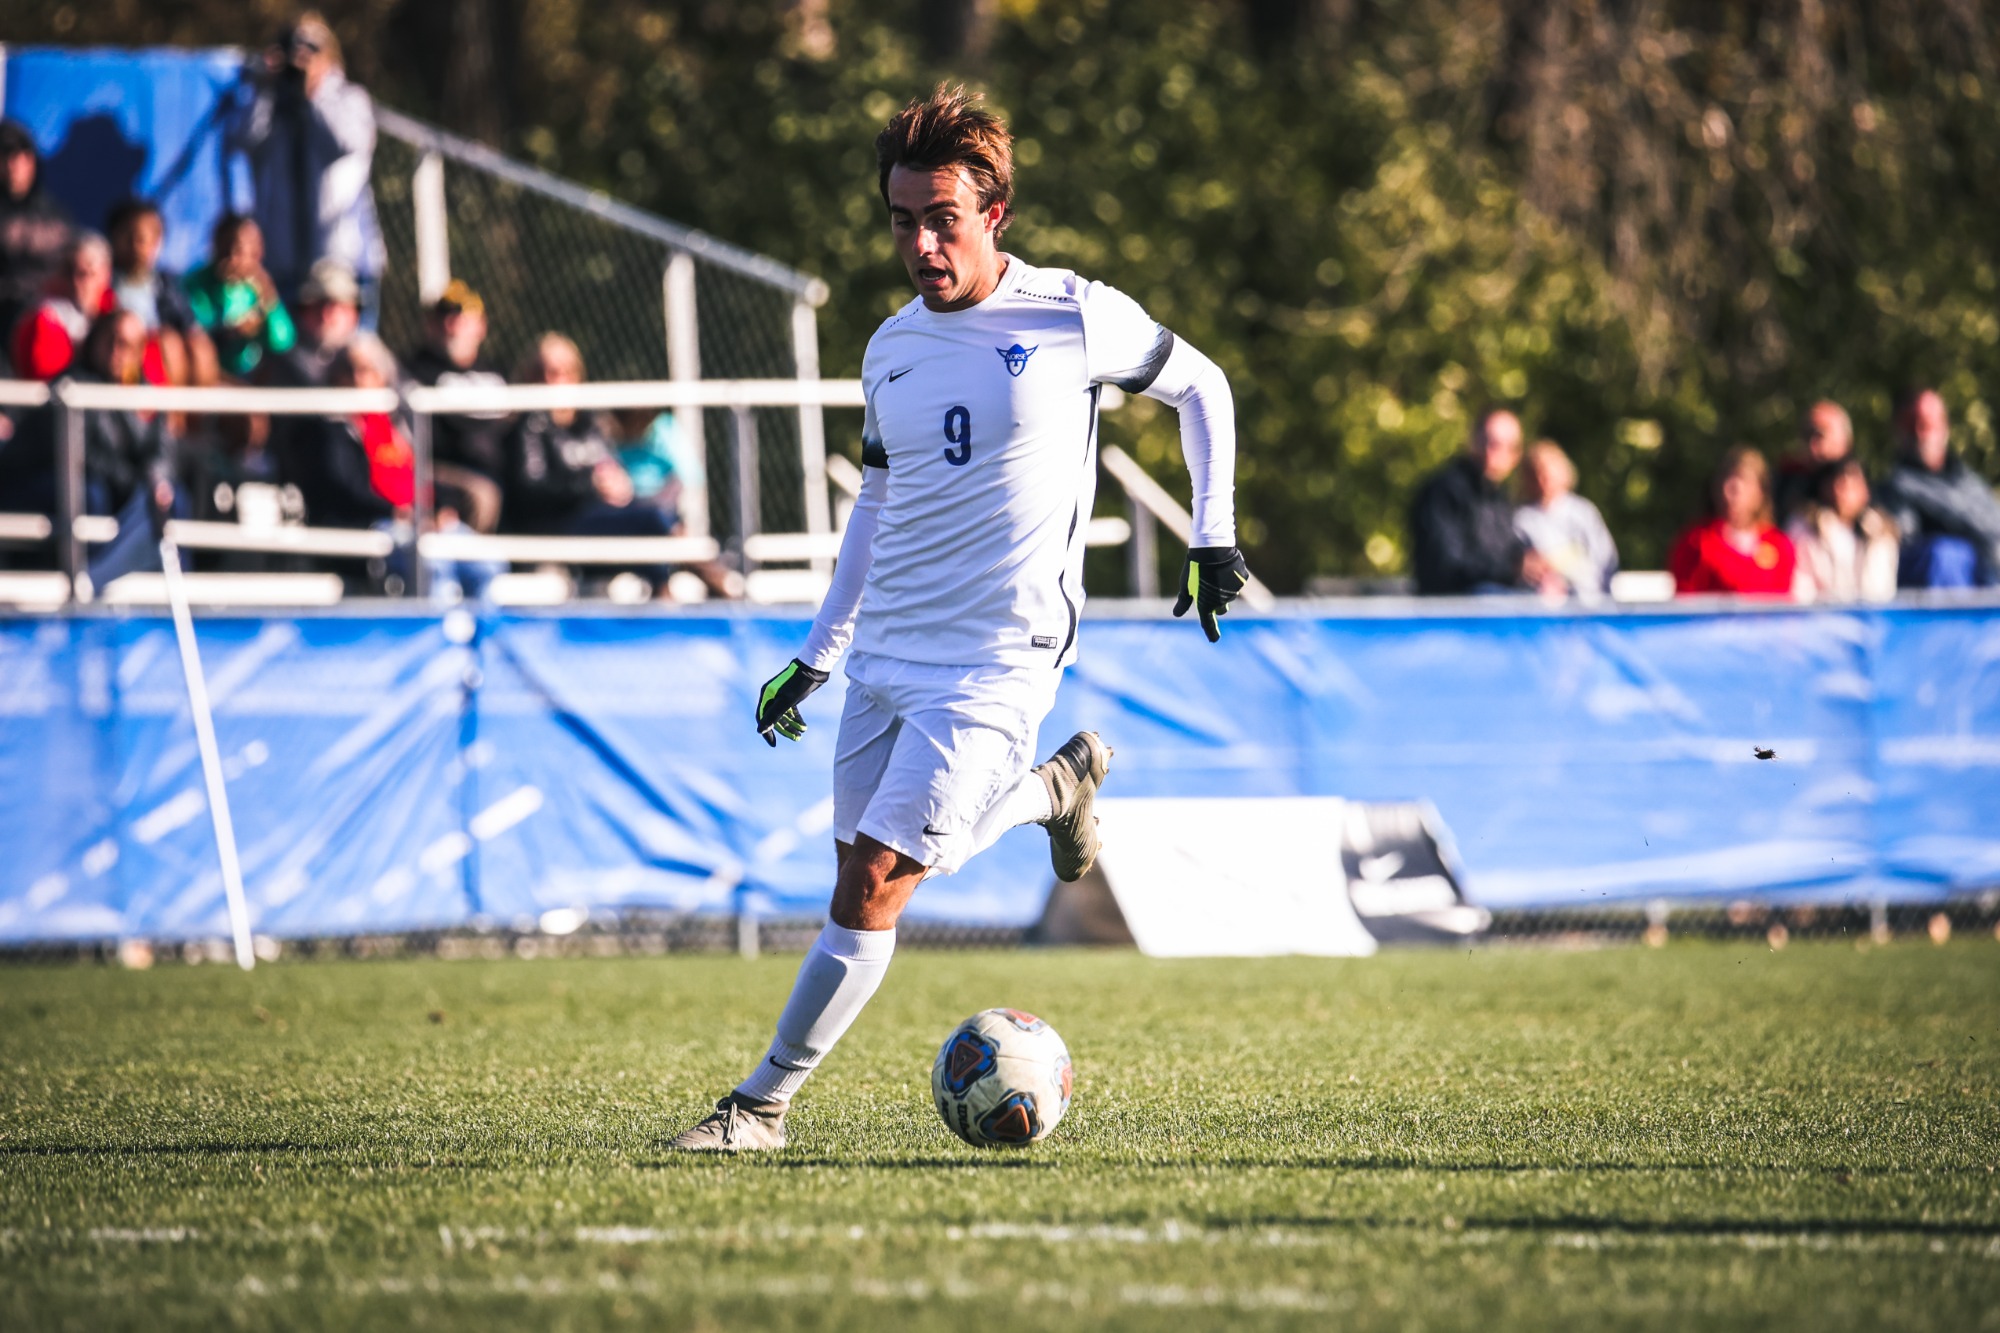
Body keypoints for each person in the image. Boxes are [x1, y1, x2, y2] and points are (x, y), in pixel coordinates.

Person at [668, 86, 1247, 1152]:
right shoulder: (887, 346)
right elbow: (876, 504)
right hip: (889, 650)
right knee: (859, 877)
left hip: (998, 656)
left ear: (996, 216)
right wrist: (817, 655)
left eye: (943, 219)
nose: (922, 243)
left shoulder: (1071, 312)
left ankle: (759, 1106)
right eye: (902, 220)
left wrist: (1211, 535)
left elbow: (1201, 387)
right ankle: (1051, 790)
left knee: (878, 882)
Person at [225, 11, 384, 316]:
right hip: (281, 260)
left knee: (345, 359)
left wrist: (315, 91)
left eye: (311, 49)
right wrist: (265, 88)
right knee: (287, 358)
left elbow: (344, 143)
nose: (300, 58)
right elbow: (241, 139)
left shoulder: (349, 99)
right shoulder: (271, 105)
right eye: (292, 50)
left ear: (330, 54)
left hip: (342, 260)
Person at [505, 333, 674, 540]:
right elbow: (531, 490)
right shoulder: (528, 427)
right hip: (562, 522)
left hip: (602, 512)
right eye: (544, 372)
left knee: (665, 517)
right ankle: (712, 571)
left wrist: (620, 484)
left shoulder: (592, 422)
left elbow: (612, 466)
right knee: (653, 520)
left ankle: (695, 569)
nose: (553, 381)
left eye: (563, 372)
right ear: (530, 376)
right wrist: (589, 485)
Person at [1410, 409, 1562, 595]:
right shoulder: (1444, 491)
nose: (1494, 453)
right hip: (1455, 608)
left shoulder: (1499, 497)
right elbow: (1446, 564)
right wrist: (1511, 569)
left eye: (1508, 447)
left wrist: (1535, 566)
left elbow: (1507, 548)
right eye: (1490, 442)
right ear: (1473, 442)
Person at [406, 280, 508, 532]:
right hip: (442, 469)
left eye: (462, 319)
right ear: (429, 326)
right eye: (444, 319)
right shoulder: (415, 371)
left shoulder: (496, 371)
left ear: (481, 327)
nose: (452, 327)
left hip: (497, 468)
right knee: (483, 495)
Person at [1874, 388, 2000, 589]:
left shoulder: (1969, 482)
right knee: (1944, 554)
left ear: (1944, 427)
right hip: (1938, 606)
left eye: (1927, 424)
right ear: (1899, 429)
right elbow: (1905, 537)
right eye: (1911, 424)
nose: (1919, 433)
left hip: (1989, 596)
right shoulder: (1893, 488)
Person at [287, 333, 409, 528]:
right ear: (335, 376)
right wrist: (394, 511)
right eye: (348, 370)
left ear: (381, 377)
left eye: (365, 370)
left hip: (407, 515)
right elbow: (345, 490)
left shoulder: (397, 424)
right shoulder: (327, 429)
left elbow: (420, 475)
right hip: (367, 524)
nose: (356, 379)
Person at [105, 198, 214, 388]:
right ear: (113, 236)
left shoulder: (166, 284)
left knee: (198, 347)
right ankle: (172, 417)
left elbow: (188, 324)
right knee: (167, 343)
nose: (137, 244)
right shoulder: (105, 280)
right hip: (127, 360)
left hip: (173, 362)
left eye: (147, 237)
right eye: (129, 235)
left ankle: (199, 415)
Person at [1668, 447, 1796, 596]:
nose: (1729, 493)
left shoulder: (1780, 546)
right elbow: (1686, 604)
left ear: (1760, 492)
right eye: (1725, 482)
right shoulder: (1697, 542)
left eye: (1743, 484)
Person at [184, 214, 297, 381]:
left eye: (240, 250)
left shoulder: (259, 286)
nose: (232, 257)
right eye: (226, 248)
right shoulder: (197, 283)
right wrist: (233, 332)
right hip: (210, 377)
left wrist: (268, 298)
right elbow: (194, 330)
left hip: (251, 376)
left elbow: (283, 340)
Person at [0, 119, 72, 357]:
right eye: (5, 156)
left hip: (49, 314)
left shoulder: (56, 215)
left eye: (21, 156)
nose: (13, 166)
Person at [1513, 439, 1617, 601]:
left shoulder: (1583, 512)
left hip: (1587, 603)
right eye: (1536, 472)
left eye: (1547, 471)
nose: (1543, 478)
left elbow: (1604, 561)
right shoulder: (1521, 519)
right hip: (1540, 605)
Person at [1788, 457, 1898, 603]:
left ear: (1866, 491)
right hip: (1820, 620)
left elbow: (1883, 591)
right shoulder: (1805, 529)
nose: (1844, 492)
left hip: (1871, 620)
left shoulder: (1881, 535)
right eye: (1839, 483)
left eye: (1853, 484)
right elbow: (1801, 588)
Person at [10, 232, 112, 381]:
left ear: (105, 275)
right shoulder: (43, 321)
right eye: (69, 272)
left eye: (86, 273)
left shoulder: (118, 317)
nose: (76, 282)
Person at [266, 258, 361, 389]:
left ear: (353, 312)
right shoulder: (283, 359)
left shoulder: (370, 358)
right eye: (318, 305)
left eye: (335, 305)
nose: (325, 315)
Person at [1774, 400, 1853, 527]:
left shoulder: (1861, 491)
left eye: (1820, 436)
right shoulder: (1785, 485)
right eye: (1806, 436)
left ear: (1845, 441)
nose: (1812, 446)